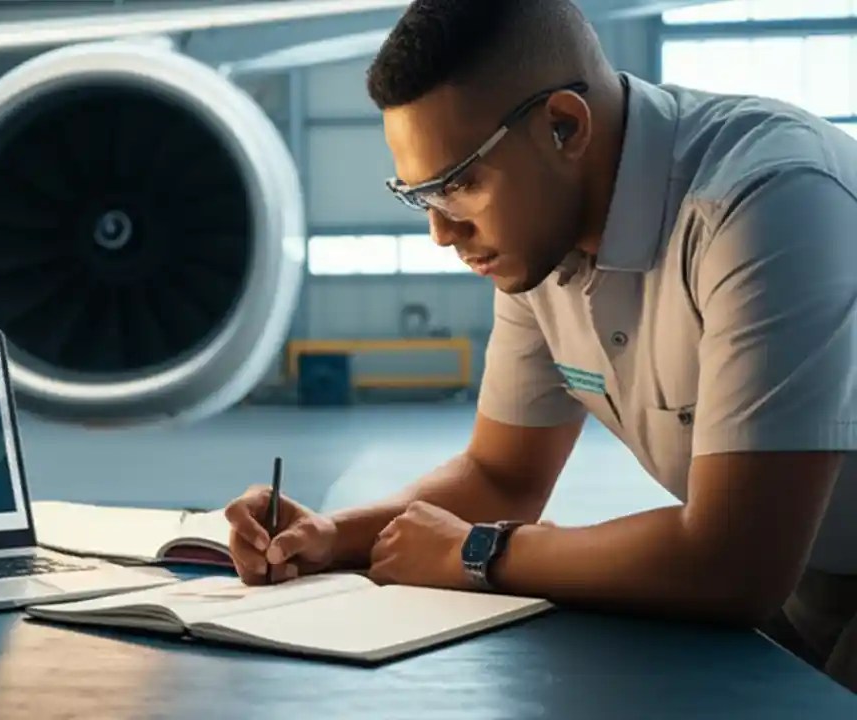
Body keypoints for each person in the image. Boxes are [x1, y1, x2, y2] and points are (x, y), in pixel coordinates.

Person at [223, 0, 857, 693]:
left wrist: (479, 553)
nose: (440, 232)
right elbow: (502, 476)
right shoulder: (540, 245)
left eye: (459, 185)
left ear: (564, 126)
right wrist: (329, 537)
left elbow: (736, 563)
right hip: (808, 572)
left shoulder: (768, 204)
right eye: (418, 196)